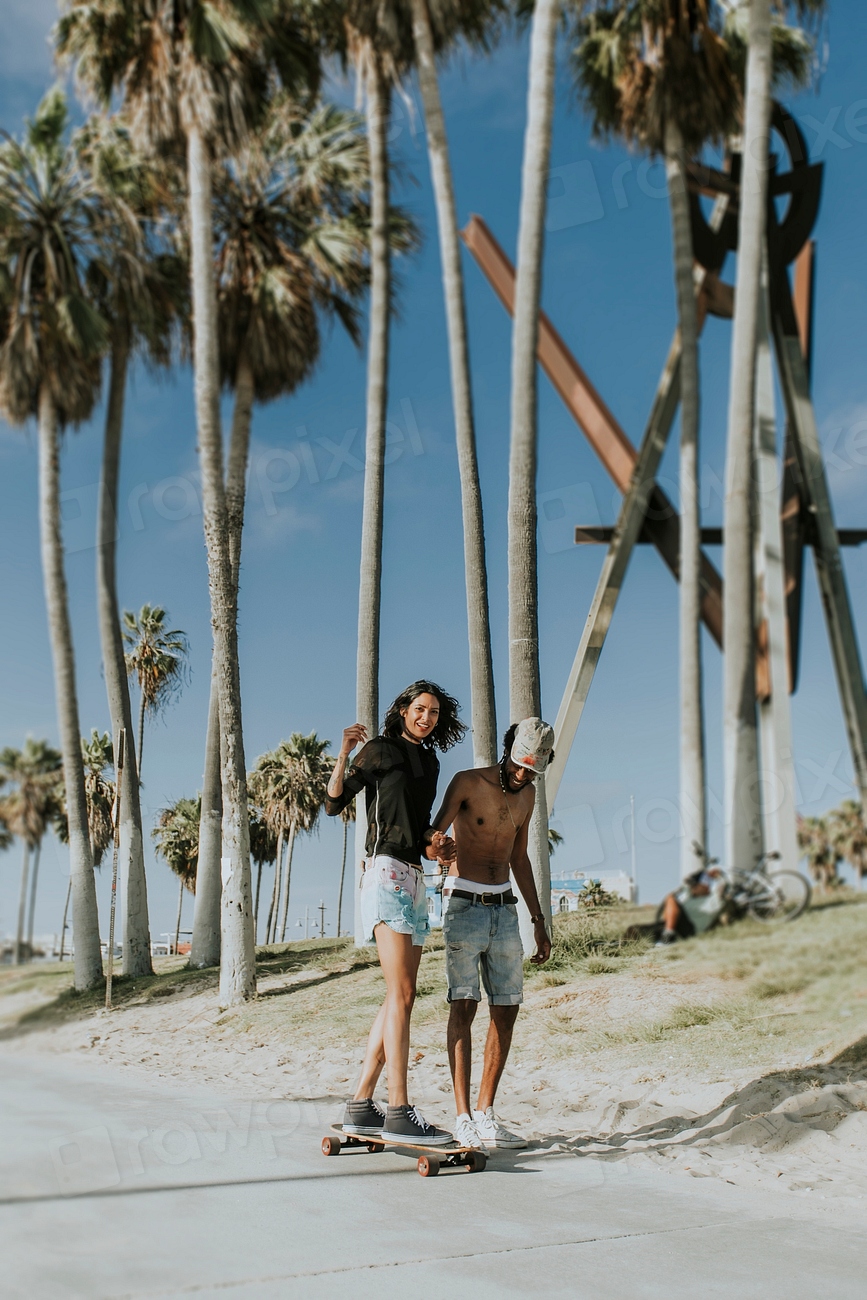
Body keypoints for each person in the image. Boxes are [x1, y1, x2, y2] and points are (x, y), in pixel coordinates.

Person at [325, 680, 464, 1146]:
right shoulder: (380, 751)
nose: (427, 718)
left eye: (434, 713)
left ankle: (362, 1104)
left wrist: (438, 844)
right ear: (403, 709)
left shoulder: (430, 760)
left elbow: (421, 824)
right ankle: (399, 1107)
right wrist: (345, 752)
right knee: (402, 993)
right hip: (384, 871)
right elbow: (334, 803)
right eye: (420, 709)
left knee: (396, 996)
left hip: (414, 876)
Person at [428, 718, 554, 1150]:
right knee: (463, 1005)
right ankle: (462, 1116)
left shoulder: (530, 795)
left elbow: (520, 858)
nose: (523, 775)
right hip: (464, 903)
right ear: (508, 751)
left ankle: (486, 1113)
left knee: (507, 1009)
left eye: (532, 770)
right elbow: (435, 833)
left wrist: (539, 921)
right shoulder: (468, 781)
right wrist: (438, 848)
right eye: (519, 765)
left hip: (505, 909)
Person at [657, 865, 725, 944]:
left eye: (695, 886)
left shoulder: (715, 898)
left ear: (705, 886)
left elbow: (724, 884)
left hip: (691, 929)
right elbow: (685, 882)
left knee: (670, 899)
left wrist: (718, 874)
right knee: (645, 931)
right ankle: (667, 933)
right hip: (678, 924)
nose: (692, 888)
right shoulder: (690, 896)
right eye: (692, 886)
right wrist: (704, 874)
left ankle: (669, 934)